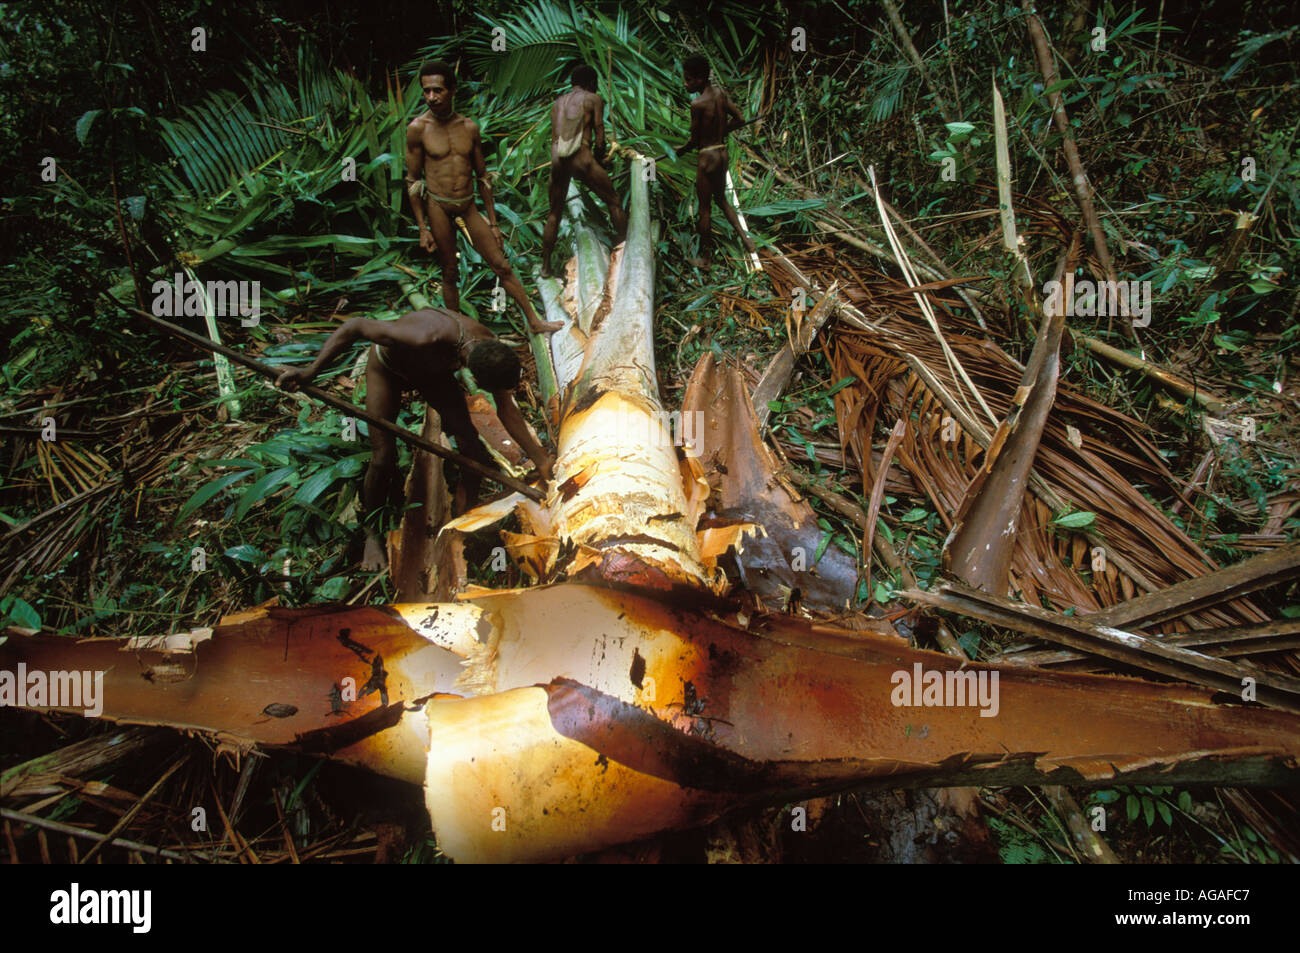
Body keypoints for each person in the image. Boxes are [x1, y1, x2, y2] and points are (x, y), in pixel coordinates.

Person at [276, 309, 554, 572]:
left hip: (432, 374)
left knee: (470, 443)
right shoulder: (421, 336)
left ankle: (464, 516)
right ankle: (371, 534)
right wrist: (311, 371)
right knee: (383, 456)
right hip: (389, 370)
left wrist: (540, 458)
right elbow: (355, 325)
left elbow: (506, 407)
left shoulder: (489, 349)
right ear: (475, 377)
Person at [405, 60, 562, 334]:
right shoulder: (419, 128)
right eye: (426, 91)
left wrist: (492, 222)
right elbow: (413, 180)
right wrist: (422, 228)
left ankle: (534, 322)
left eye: (438, 90)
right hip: (438, 206)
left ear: (452, 90)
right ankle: (456, 334)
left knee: (502, 265)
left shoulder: (469, 128)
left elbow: (482, 177)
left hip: (467, 206)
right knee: (449, 271)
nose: (431, 97)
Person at [540, 63, 628, 278]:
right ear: (591, 83)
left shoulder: (557, 103)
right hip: (581, 157)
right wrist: (601, 160)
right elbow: (599, 135)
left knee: (554, 213)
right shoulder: (592, 99)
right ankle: (625, 253)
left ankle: (545, 268)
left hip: (558, 159)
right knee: (614, 201)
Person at [677, 54, 758, 269]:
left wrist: (679, 150)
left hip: (707, 157)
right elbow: (739, 119)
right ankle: (747, 240)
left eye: (689, 80)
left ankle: (706, 259)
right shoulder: (721, 95)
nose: (685, 84)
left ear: (701, 79)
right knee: (722, 200)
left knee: (705, 209)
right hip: (721, 152)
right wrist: (721, 131)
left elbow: (694, 141)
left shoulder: (697, 104)